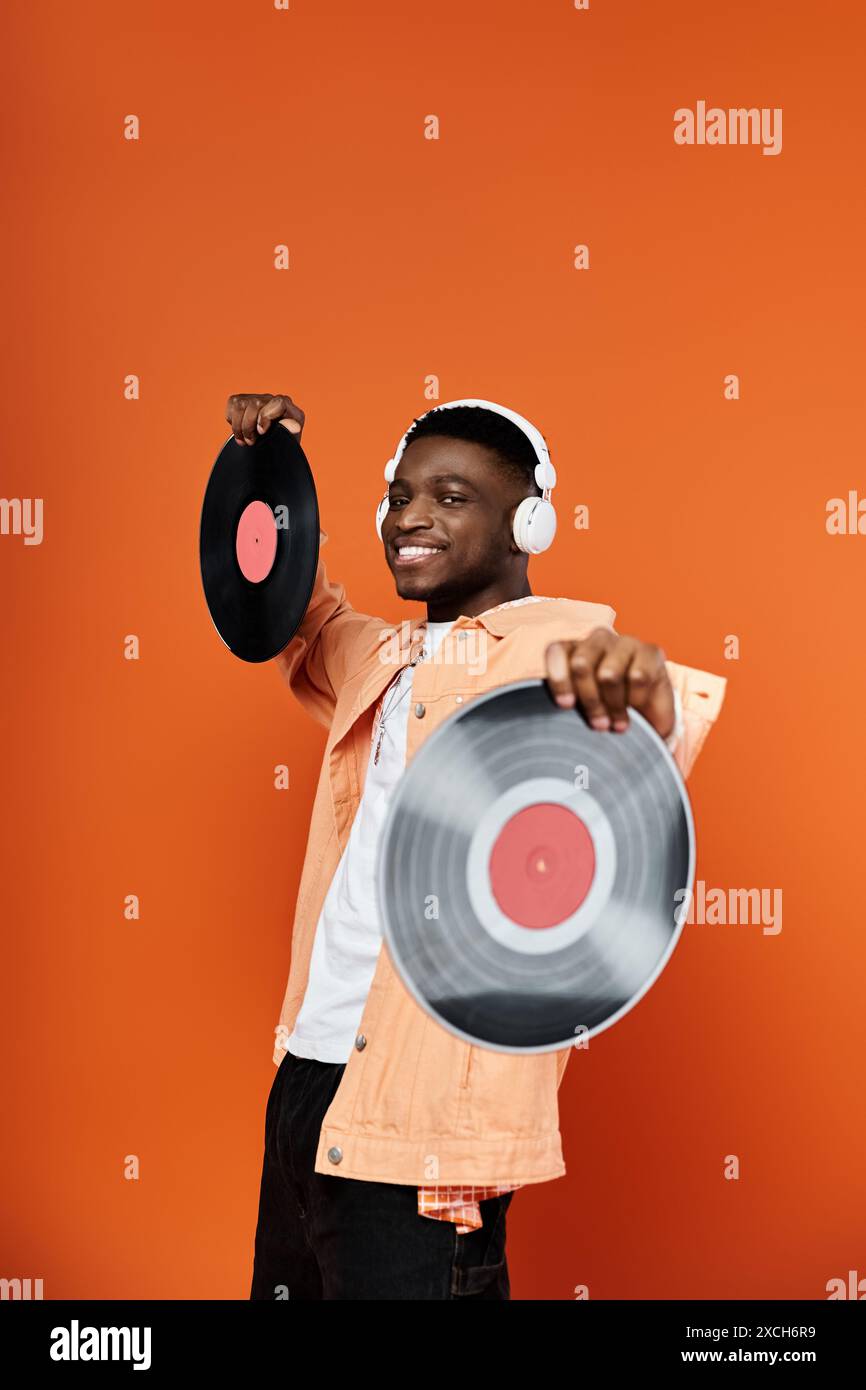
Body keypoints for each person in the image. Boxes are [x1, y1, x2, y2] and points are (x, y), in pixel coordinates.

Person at [228, 392, 727, 1300]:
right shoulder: (377, 657)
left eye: (452, 497)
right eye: (400, 496)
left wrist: (637, 688)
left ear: (526, 523)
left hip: (426, 1128)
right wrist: (267, 472)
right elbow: (288, 609)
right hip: (307, 1081)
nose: (411, 517)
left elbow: (644, 718)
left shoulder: (560, 648)